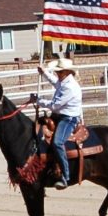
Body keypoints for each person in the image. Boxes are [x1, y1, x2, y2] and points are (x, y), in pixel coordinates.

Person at [34, 57, 83, 190]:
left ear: (66, 72)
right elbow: (55, 82)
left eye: (59, 72)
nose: (57, 74)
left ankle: (66, 176)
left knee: (57, 142)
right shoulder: (64, 82)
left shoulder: (70, 87)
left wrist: (38, 101)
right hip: (60, 116)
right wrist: (44, 73)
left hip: (68, 118)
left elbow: (55, 106)